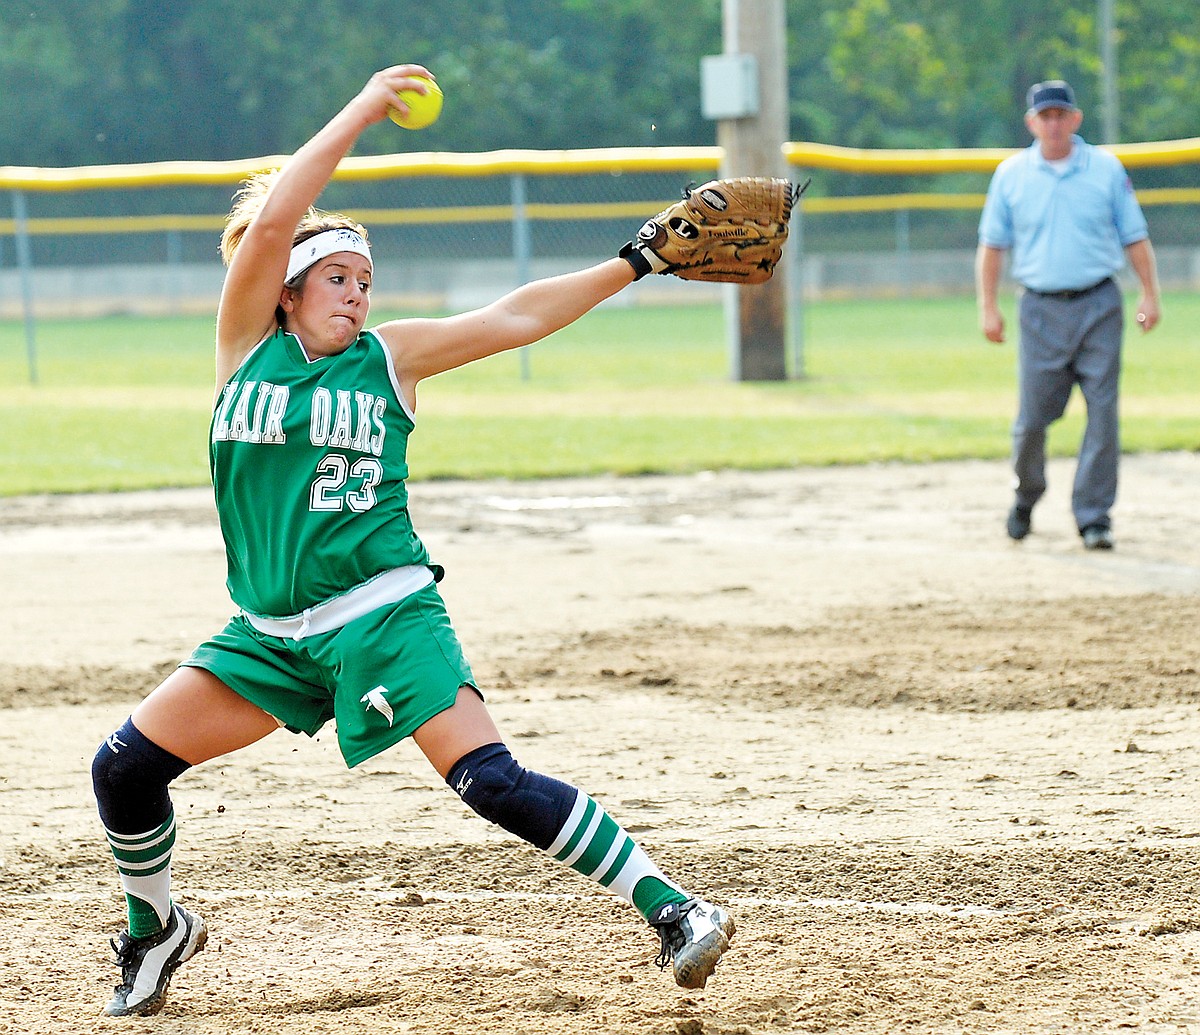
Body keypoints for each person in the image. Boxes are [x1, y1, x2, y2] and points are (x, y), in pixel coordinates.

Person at [90, 64, 735, 1018]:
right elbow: (271, 227)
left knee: (489, 779)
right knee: (123, 767)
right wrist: (361, 109)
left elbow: (516, 316)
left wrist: (638, 259)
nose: (353, 294)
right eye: (334, 279)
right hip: (269, 636)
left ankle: (672, 907)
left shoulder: (390, 359)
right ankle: (157, 930)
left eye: (363, 280)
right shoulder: (244, 349)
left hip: (385, 614)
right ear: (287, 292)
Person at [975, 79, 1161, 551]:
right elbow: (992, 247)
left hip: (1099, 303)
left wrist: (1149, 294)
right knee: (1033, 419)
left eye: (1062, 114)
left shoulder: (1104, 169)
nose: (1054, 123)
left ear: (1075, 119)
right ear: (1032, 122)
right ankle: (1026, 494)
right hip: (1039, 307)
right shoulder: (1012, 175)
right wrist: (988, 306)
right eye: (1046, 116)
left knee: (1102, 414)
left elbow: (1134, 235)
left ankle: (1094, 516)